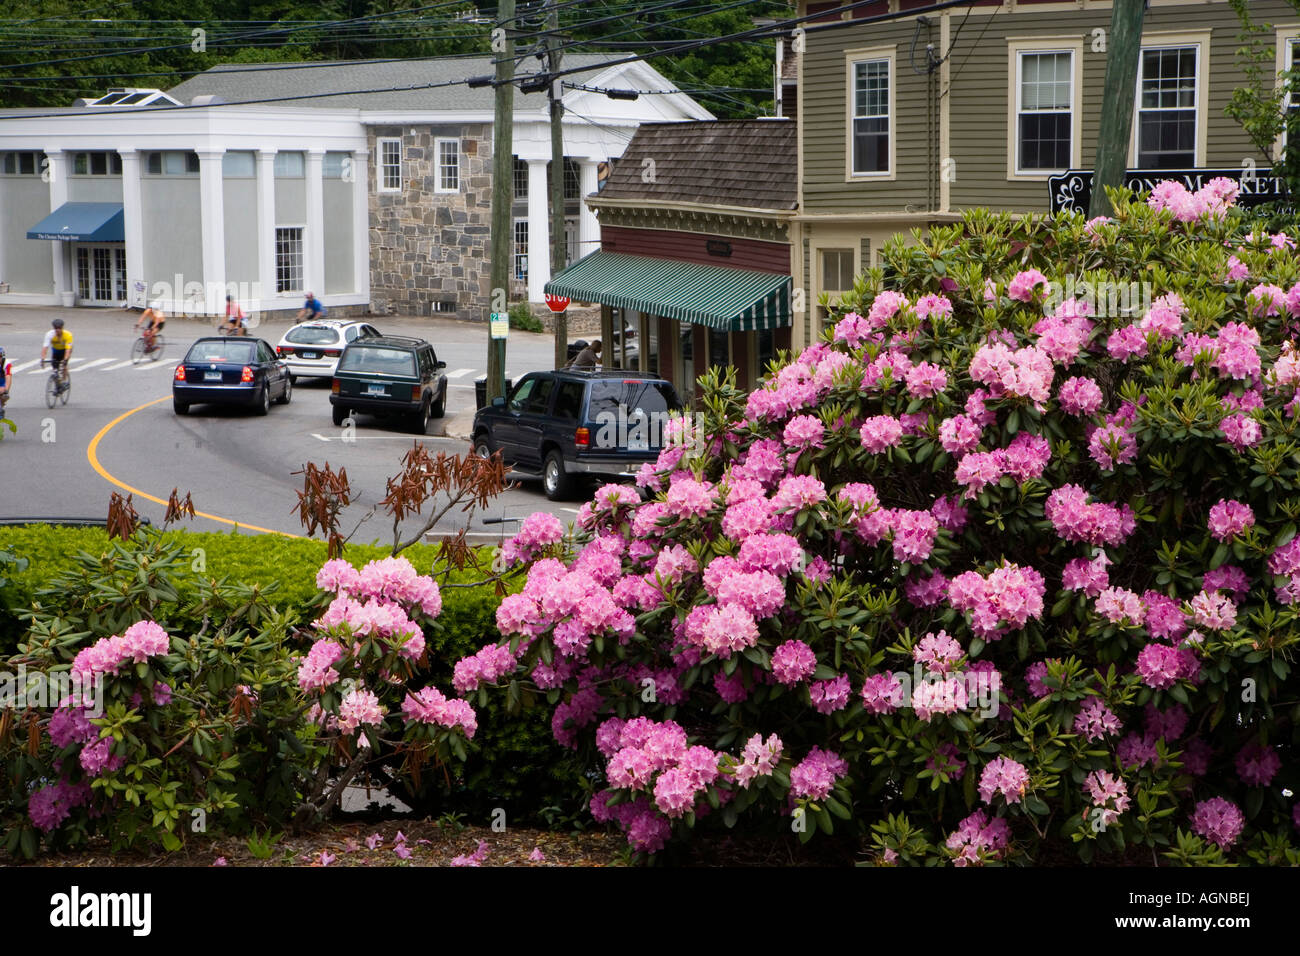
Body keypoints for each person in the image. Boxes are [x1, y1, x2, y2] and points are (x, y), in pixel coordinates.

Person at [41, 317, 73, 386]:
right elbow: (45, 348)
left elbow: (68, 350)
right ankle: (57, 384)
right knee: (55, 368)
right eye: (56, 328)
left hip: (65, 350)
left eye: (59, 328)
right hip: (56, 351)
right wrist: (43, 359)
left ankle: (64, 380)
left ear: (62, 328)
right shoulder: (49, 334)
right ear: (53, 328)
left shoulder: (68, 335)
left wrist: (65, 360)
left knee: (64, 365)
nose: (58, 330)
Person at [0, 345, 11, 414]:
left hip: (2, 382)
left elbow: (8, 376)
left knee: (4, 395)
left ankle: (2, 405)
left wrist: (6, 390)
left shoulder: (6, 363)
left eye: (0, 356)